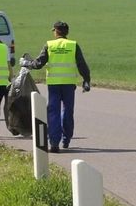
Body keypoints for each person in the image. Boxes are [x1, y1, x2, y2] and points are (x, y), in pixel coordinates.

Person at [31, 21, 91, 152]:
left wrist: (28, 63)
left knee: (54, 113)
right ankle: (66, 139)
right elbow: (82, 64)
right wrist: (86, 80)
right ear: (67, 32)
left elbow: (39, 63)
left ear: (56, 32)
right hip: (69, 84)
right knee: (68, 111)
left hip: (54, 84)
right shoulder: (73, 45)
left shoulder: (49, 45)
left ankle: (54, 143)